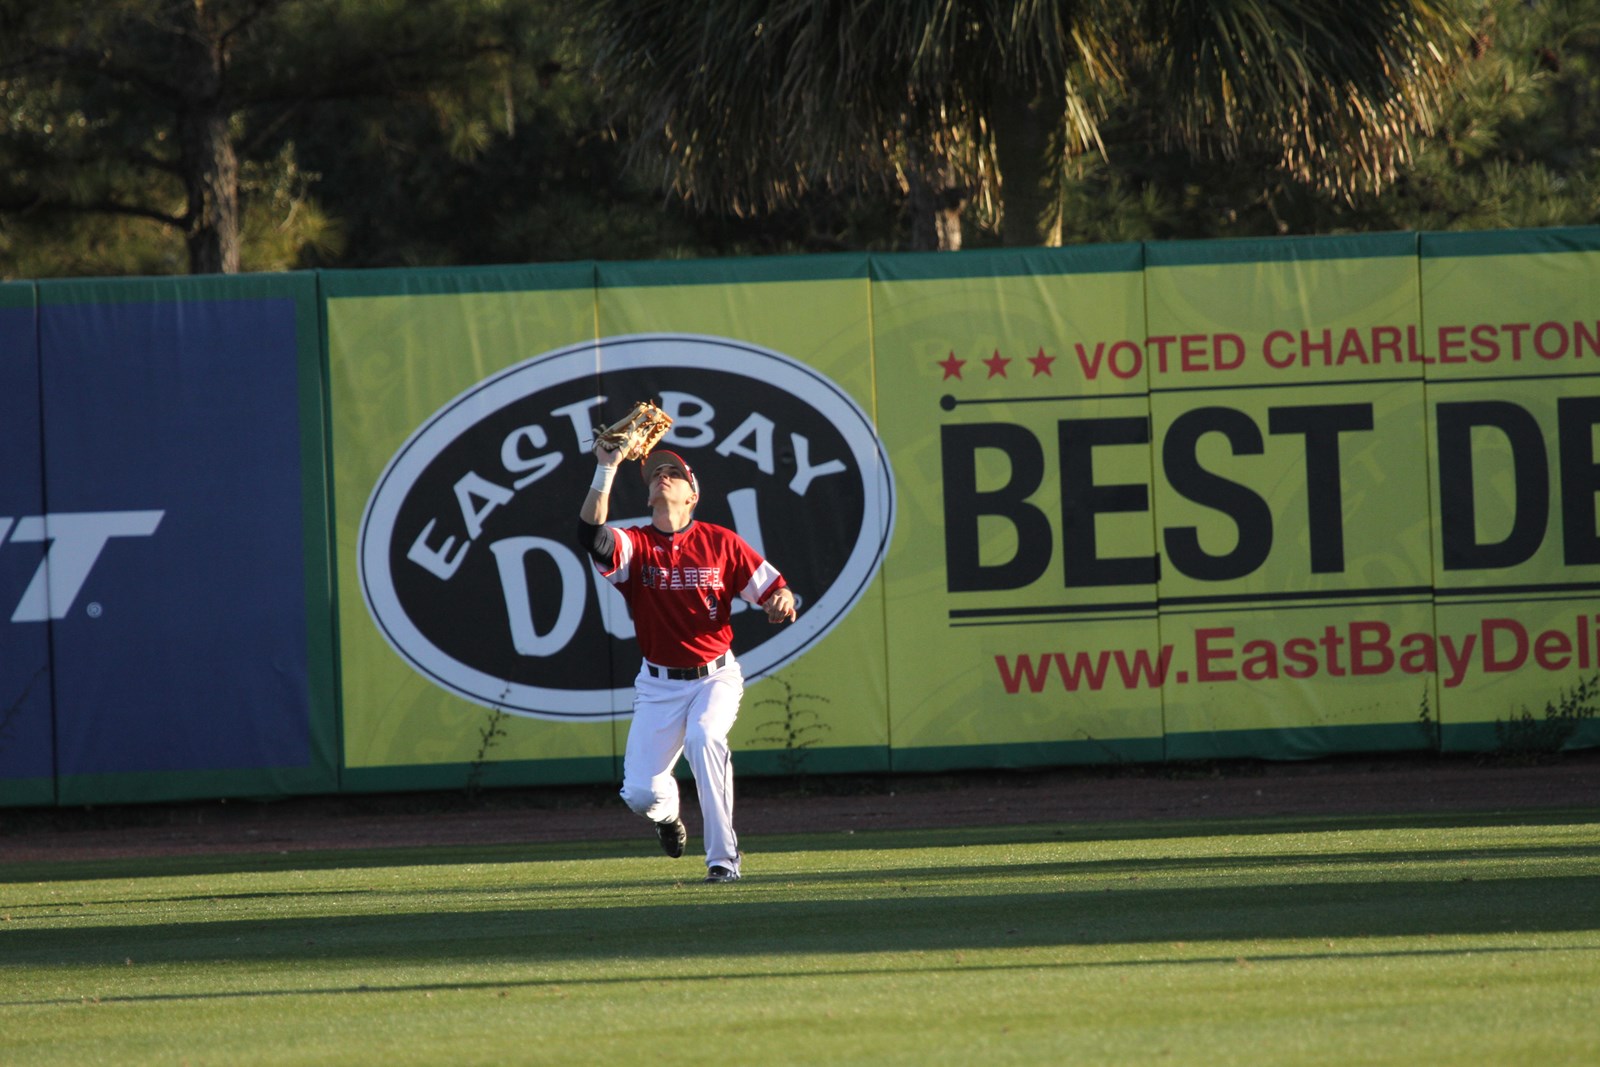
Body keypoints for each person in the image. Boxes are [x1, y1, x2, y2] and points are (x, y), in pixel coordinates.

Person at [578, 439, 798, 883]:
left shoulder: (720, 542)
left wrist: (781, 599)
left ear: (691, 494)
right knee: (640, 794)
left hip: (714, 676)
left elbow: (774, 588)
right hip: (659, 685)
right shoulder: (635, 544)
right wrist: (605, 467)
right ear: (647, 497)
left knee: (704, 738)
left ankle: (722, 861)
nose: (663, 476)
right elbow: (591, 536)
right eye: (657, 473)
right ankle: (668, 818)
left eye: (673, 473)